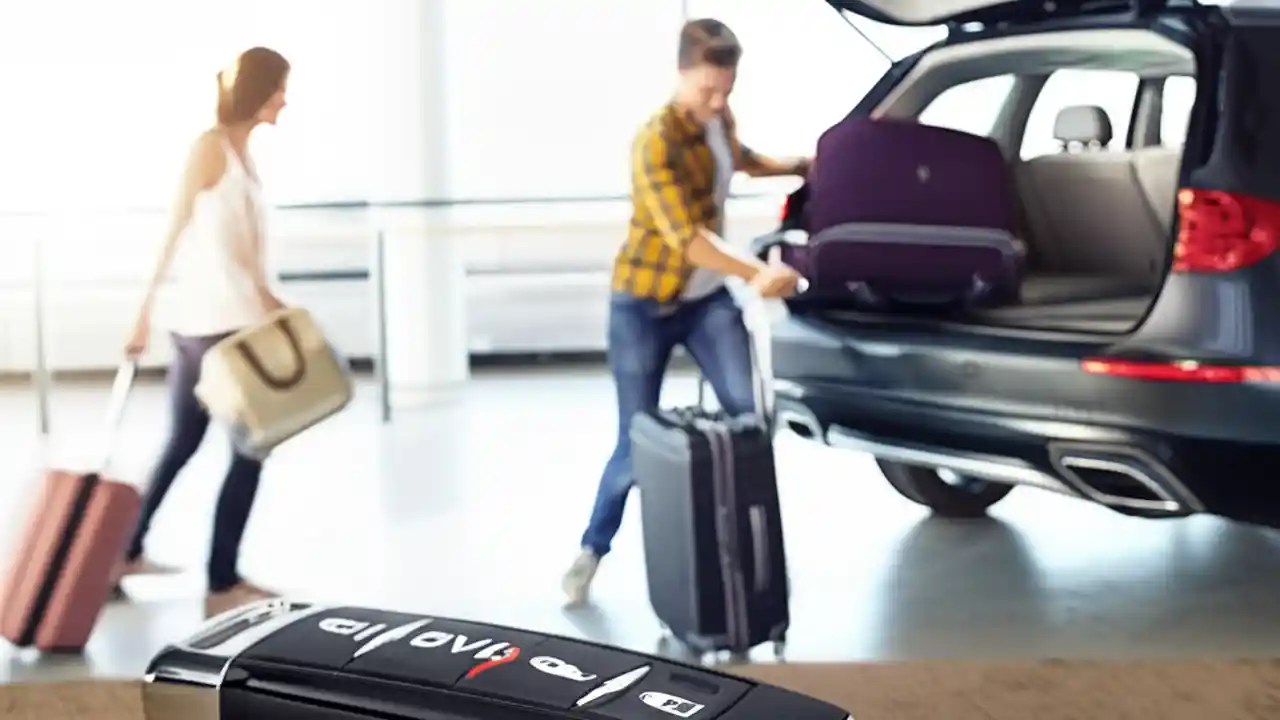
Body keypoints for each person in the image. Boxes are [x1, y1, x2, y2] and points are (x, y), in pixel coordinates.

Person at [562, 19, 810, 605]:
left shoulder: (717, 118)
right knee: (637, 437)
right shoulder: (655, 140)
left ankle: (747, 555)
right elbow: (688, 239)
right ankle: (592, 552)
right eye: (707, 90)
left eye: (727, 89)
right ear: (680, 74)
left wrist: (799, 164)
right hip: (643, 305)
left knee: (752, 418)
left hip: (706, 304)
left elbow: (738, 158)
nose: (719, 101)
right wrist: (758, 274)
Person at [115, 47, 291, 618]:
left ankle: (126, 551)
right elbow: (174, 228)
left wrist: (270, 298)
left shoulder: (242, 153)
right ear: (258, 91)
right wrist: (141, 310)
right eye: (279, 89)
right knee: (250, 449)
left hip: (224, 323)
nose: (285, 100)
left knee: (183, 443)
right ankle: (221, 582)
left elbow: (246, 251)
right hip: (217, 330)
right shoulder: (210, 149)